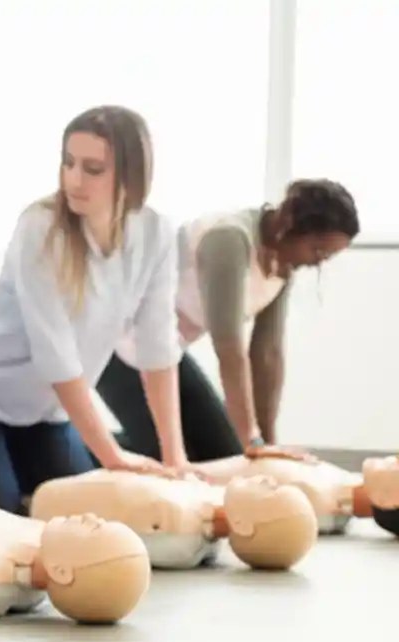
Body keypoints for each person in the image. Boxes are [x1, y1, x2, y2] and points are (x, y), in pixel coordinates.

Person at [0, 105, 188, 514]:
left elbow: (158, 348)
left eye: (93, 169)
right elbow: (56, 356)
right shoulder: (40, 228)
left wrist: (174, 457)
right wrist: (112, 457)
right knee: (3, 517)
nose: (74, 179)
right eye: (68, 163)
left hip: (44, 413)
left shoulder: (156, 233)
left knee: (83, 515)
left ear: (130, 175)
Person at [97, 179, 360, 461]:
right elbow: (229, 348)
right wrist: (252, 438)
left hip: (163, 353)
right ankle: (78, 446)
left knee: (227, 455)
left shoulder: (281, 266)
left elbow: (267, 355)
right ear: (292, 225)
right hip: (112, 345)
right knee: (167, 457)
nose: (318, 262)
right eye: (318, 250)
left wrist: (268, 442)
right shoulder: (229, 239)